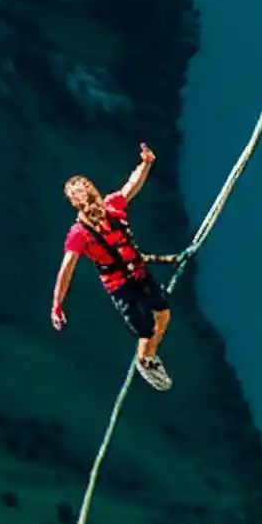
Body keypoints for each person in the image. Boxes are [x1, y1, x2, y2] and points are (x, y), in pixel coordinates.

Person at [50, 143, 173, 391]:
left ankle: (148, 359)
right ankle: (145, 358)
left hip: (137, 272)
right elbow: (66, 270)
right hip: (120, 286)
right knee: (147, 328)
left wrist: (146, 164)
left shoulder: (112, 207)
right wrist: (57, 303)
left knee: (162, 314)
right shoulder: (80, 234)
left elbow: (131, 185)